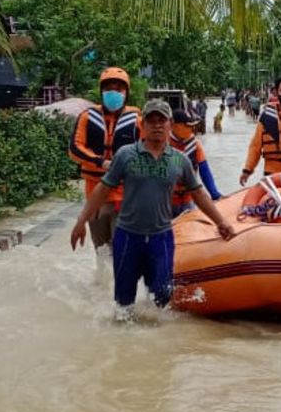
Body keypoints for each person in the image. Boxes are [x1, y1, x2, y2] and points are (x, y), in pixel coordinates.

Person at [71, 100, 234, 316]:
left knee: (162, 303)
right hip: (128, 237)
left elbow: (198, 194)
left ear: (170, 125)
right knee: (123, 305)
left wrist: (221, 222)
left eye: (162, 121)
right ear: (143, 125)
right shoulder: (126, 155)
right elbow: (102, 189)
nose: (157, 126)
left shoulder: (180, 160)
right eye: (151, 121)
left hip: (161, 239)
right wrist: (81, 221)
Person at [67, 67, 141, 268]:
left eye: (118, 89)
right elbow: (75, 148)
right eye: (109, 88)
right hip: (95, 196)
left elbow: (150, 150)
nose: (113, 92)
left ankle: (122, 293)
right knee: (101, 253)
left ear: (126, 93)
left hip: (124, 196)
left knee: (122, 251)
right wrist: (101, 162)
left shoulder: (137, 119)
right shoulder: (87, 117)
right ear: (101, 91)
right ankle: (103, 288)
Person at [169, 108, 223, 216]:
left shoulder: (194, 145)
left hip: (188, 199)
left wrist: (215, 194)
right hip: (166, 201)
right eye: (187, 126)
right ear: (174, 125)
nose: (191, 129)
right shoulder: (162, 143)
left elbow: (204, 170)